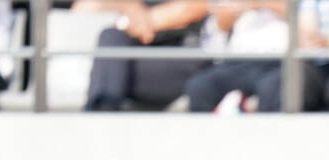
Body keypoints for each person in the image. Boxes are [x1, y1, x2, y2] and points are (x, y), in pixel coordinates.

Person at [81, 0, 223, 111]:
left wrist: (130, 20)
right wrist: (129, 6)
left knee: (111, 69)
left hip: (194, 63)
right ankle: (102, 109)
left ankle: (101, 112)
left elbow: (189, 9)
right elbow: (84, 8)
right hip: (147, 60)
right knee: (111, 36)